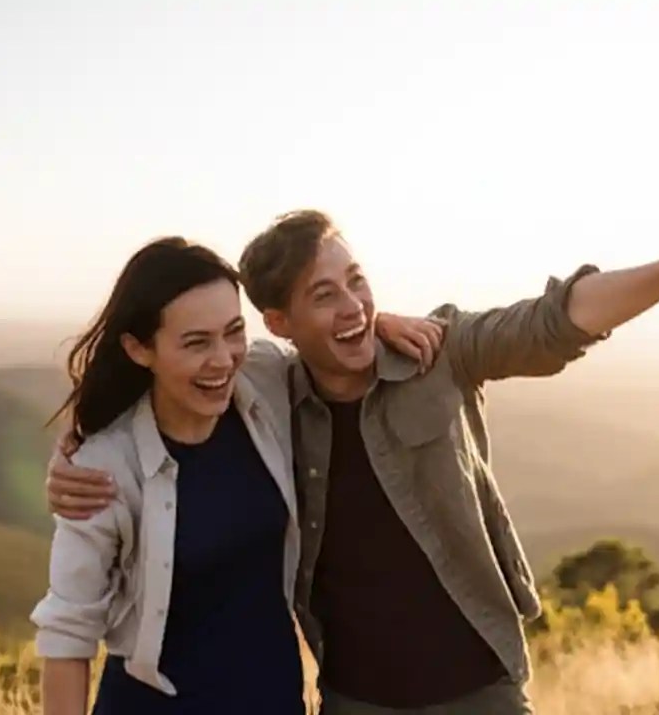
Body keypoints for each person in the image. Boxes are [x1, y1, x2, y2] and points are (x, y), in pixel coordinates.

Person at [46, 210, 659, 714]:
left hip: (477, 689)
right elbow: (166, 386)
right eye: (323, 296)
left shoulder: (430, 355)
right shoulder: (265, 391)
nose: (354, 307)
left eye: (357, 282)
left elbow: (557, 318)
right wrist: (75, 447)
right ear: (283, 324)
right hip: (353, 700)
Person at [29, 236, 446, 715]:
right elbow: (67, 632)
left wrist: (378, 325)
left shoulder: (262, 383)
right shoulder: (106, 469)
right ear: (139, 348)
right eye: (196, 343)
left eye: (233, 332)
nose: (224, 359)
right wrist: (75, 451)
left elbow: (322, 349)